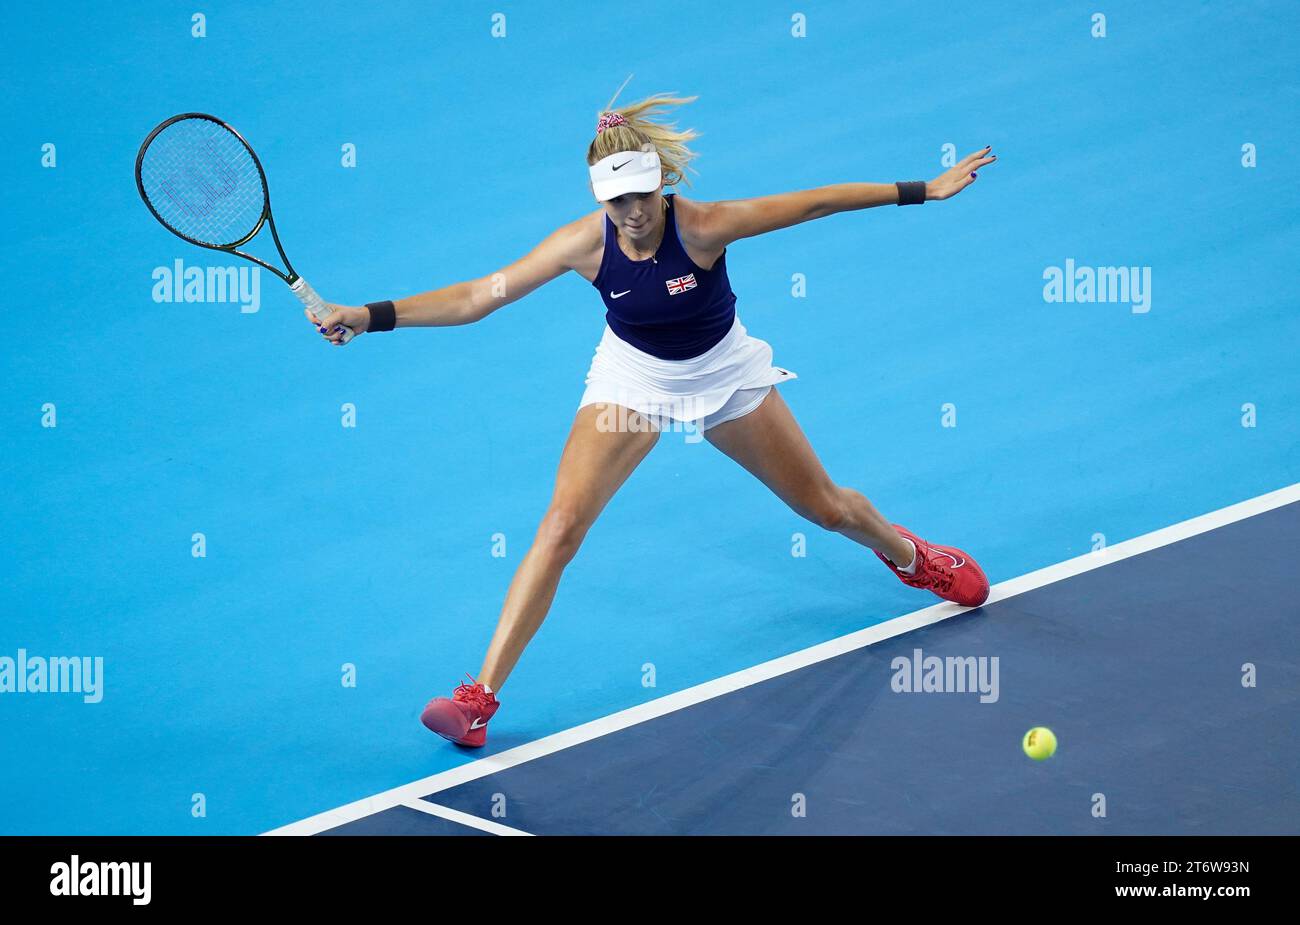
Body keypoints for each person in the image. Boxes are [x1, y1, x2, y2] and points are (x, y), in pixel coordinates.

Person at [306, 82, 998, 748]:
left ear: (662, 181)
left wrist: (923, 189)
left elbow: (813, 203)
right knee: (560, 525)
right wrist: (368, 317)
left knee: (825, 508)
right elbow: (474, 299)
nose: (630, 212)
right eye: (614, 199)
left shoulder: (704, 227)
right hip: (632, 382)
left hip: (724, 377)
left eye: (639, 195)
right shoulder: (582, 243)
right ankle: (478, 699)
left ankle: (910, 557)